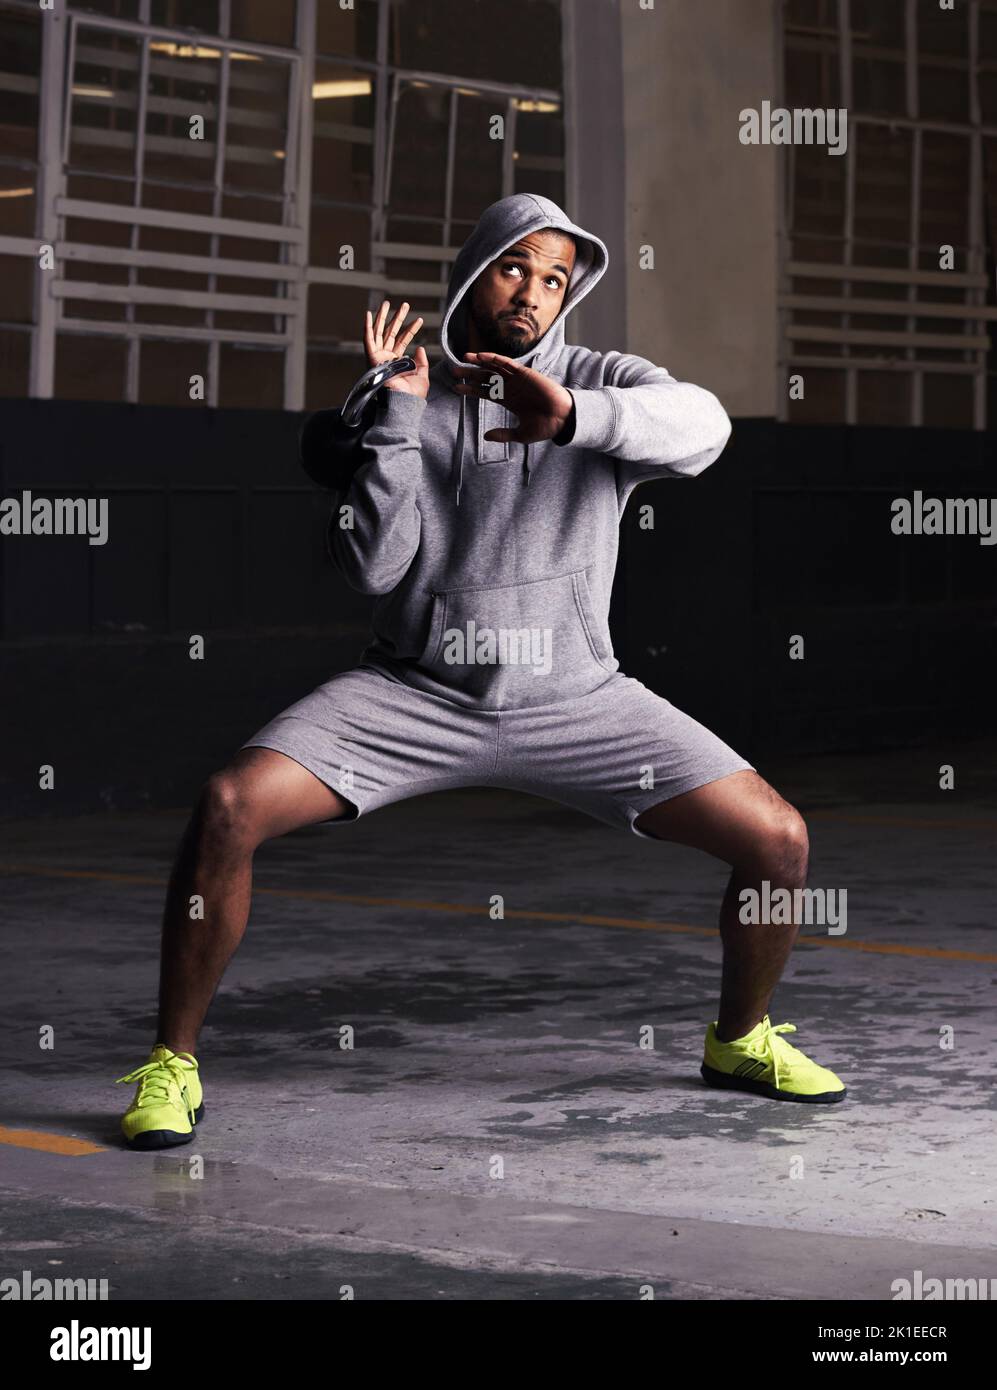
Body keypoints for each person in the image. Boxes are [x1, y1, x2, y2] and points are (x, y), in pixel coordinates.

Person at [116, 193, 844, 1149]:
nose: (532, 293)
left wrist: (578, 416)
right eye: (515, 268)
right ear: (475, 269)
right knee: (228, 806)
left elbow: (703, 429)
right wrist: (394, 420)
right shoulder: (400, 395)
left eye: (553, 278)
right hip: (413, 694)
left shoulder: (596, 378)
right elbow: (372, 567)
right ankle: (172, 1064)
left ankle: (738, 1040)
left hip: (577, 698)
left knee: (778, 841)